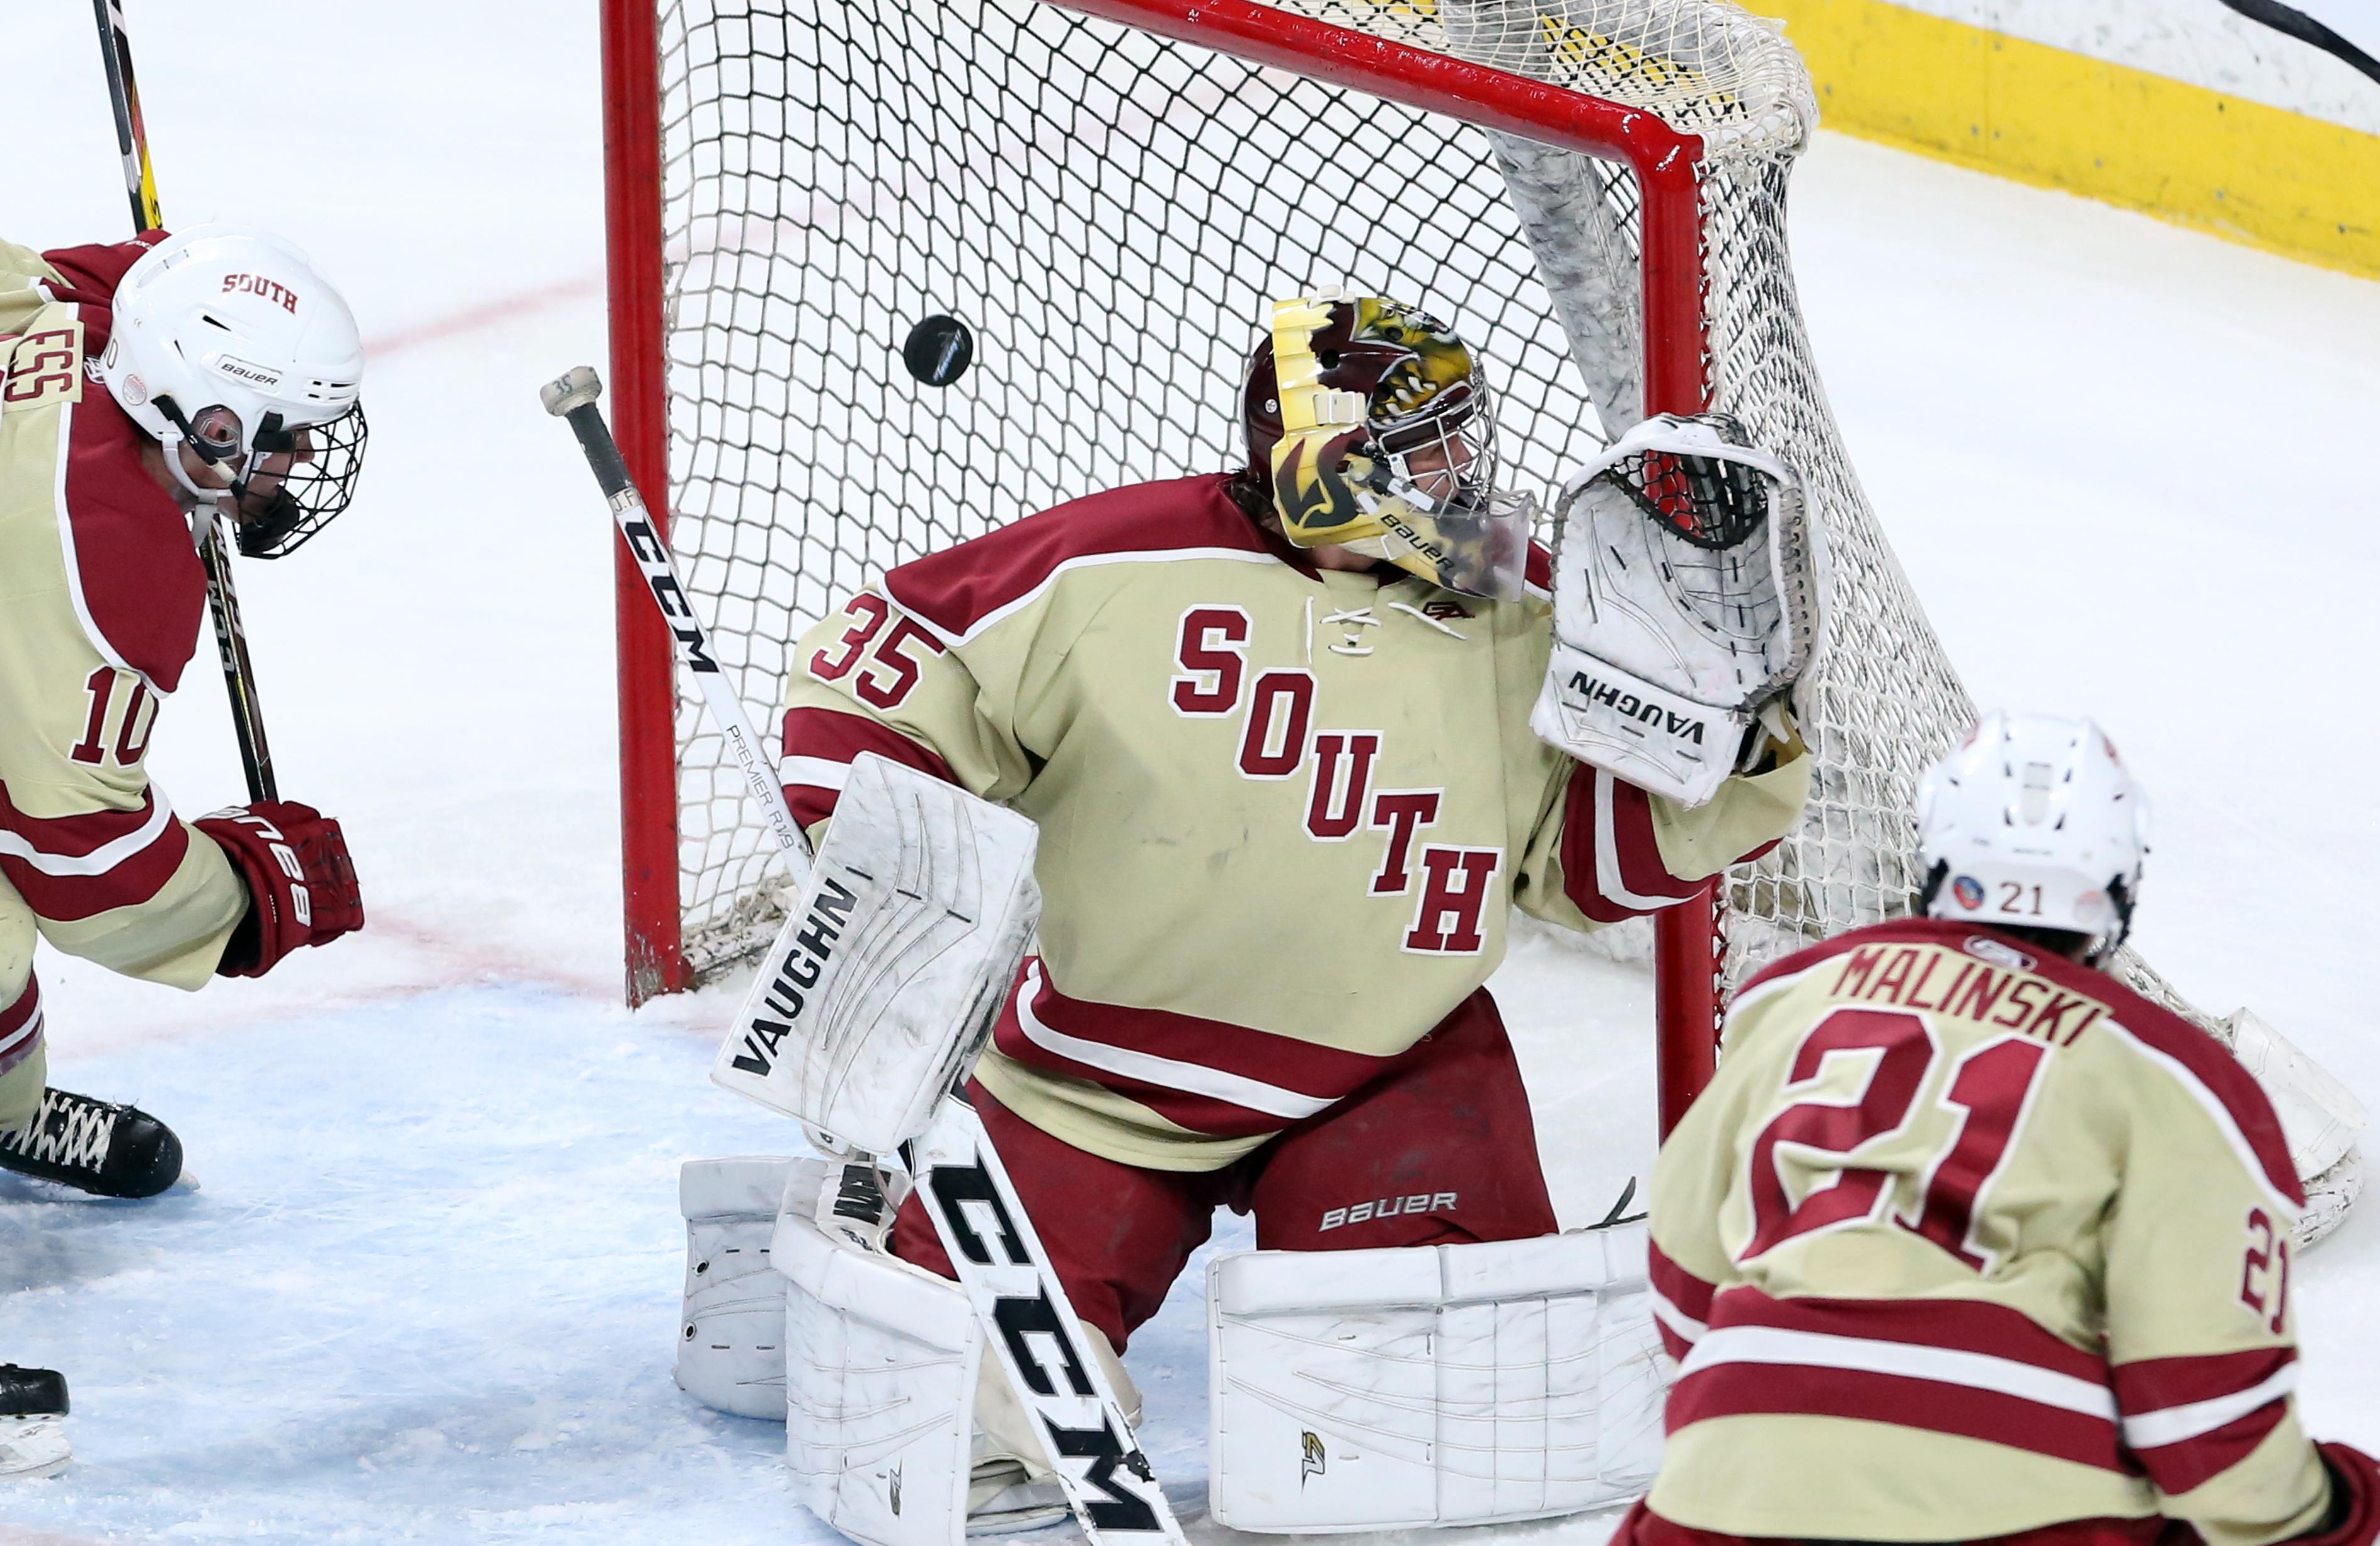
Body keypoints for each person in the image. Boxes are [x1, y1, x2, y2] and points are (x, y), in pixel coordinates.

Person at [774, 297, 1810, 1398]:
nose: (1462, 475)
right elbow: (889, 660)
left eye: (1467, 433)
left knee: (1443, 1399)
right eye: (1426, 448)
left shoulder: (1529, 602)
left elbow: (1590, 871)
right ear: (1327, 461)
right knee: (946, 1404)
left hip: (1394, 1070)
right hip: (1099, 1075)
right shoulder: (1107, 566)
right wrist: (889, 865)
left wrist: (1727, 736)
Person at [1461, 712, 2380, 1546]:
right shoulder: (2173, 1079)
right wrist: (2329, 1520)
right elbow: (2203, 1413)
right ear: (2118, 885)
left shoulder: (1789, 1005)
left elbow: (1688, 1281)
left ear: (1933, 859)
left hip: (1745, 1528)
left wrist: (1791, 1427)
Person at [0, 202, 368, 1473]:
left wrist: (190, 279)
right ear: (206, 425)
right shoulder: (104, 552)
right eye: (276, 440)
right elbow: (79, 865)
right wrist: (249, 890)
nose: (297, 465)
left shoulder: (71, 311)